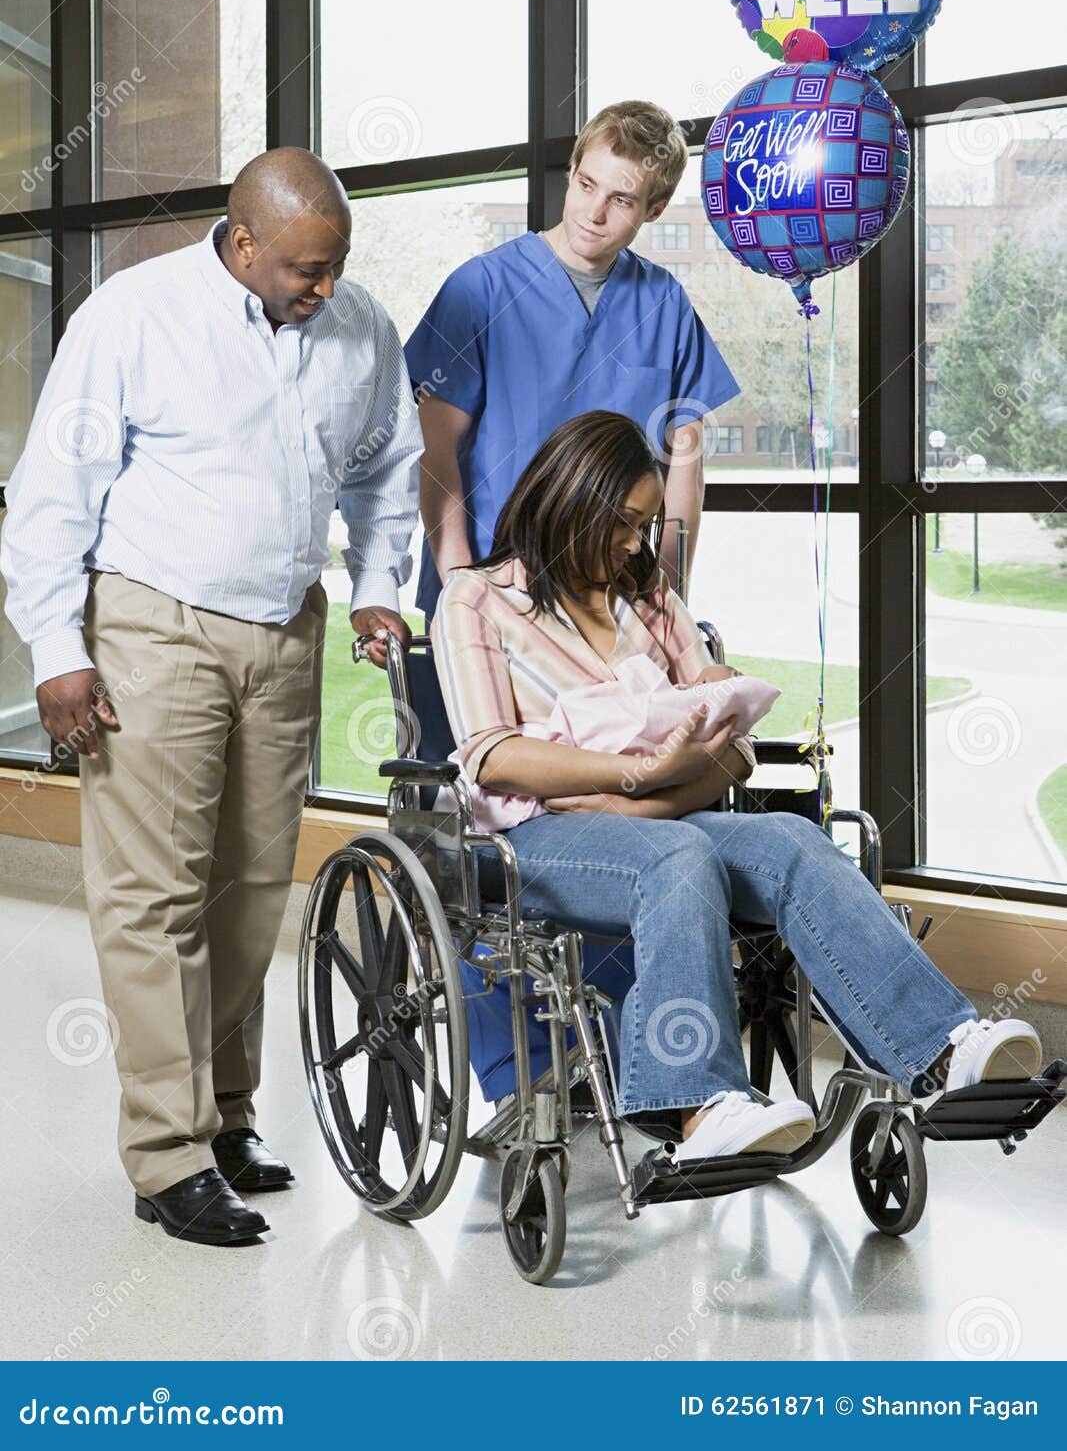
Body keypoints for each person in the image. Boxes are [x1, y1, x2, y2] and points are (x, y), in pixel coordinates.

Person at [0, 149, 422, 1244]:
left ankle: (225, 1117)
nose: (322, 288)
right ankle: (166, 1153)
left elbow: (387, 467)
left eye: (333, 267)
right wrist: (56, 646)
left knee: (247, 889)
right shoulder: (134, 316)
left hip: (284, 628)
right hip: (152, 620)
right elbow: (52, 490)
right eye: (303, 269)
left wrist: (377, 586)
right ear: (241, 243)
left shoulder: (359, 325)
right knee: (153, 895)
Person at [431, 411, 1042, 1159]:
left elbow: (733, 747)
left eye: (646, 525)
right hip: (536, 841)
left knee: (788, 838)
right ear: (568, 499)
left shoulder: (649, 600)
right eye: (622, 523)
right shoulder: (478, 599)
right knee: (675, 858)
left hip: (659, 821)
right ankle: (697, 1107)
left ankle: (941, 1051)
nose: (634, 543)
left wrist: (645, 794)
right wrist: (640, 771)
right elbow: (493, 753)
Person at [405, 100, 740, 630]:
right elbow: (436, 451)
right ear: (572, 173)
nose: (594, 212)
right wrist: (462, 593)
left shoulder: (664, 304)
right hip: (493, 588)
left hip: (613, 603)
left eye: (621, 199)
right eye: (586, 185)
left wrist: (668, 600)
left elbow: (685, 465)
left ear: (654, 209)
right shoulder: (481, 289)